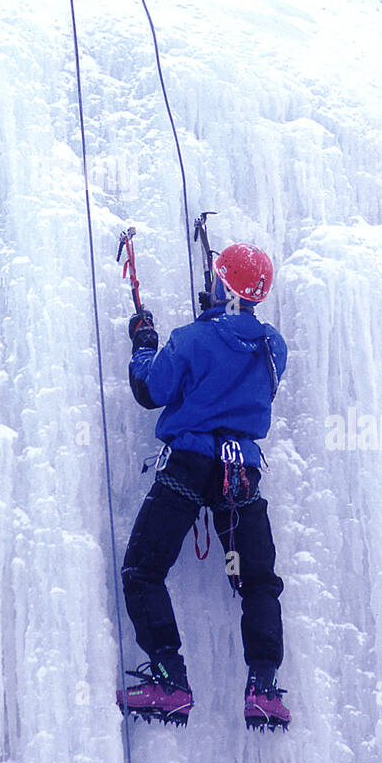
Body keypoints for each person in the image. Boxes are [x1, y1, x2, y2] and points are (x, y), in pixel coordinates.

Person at [116, 242, 290, 730]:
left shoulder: (191, 339)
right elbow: (242, 369)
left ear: (220, 282)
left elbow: (151, 390)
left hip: (189, 466)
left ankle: (170, 680)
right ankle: (263, 687)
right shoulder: (272, 346)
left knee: (143, 570)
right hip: (241, 475)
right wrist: (219, 313)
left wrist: (145, 340)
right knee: (256, 582)